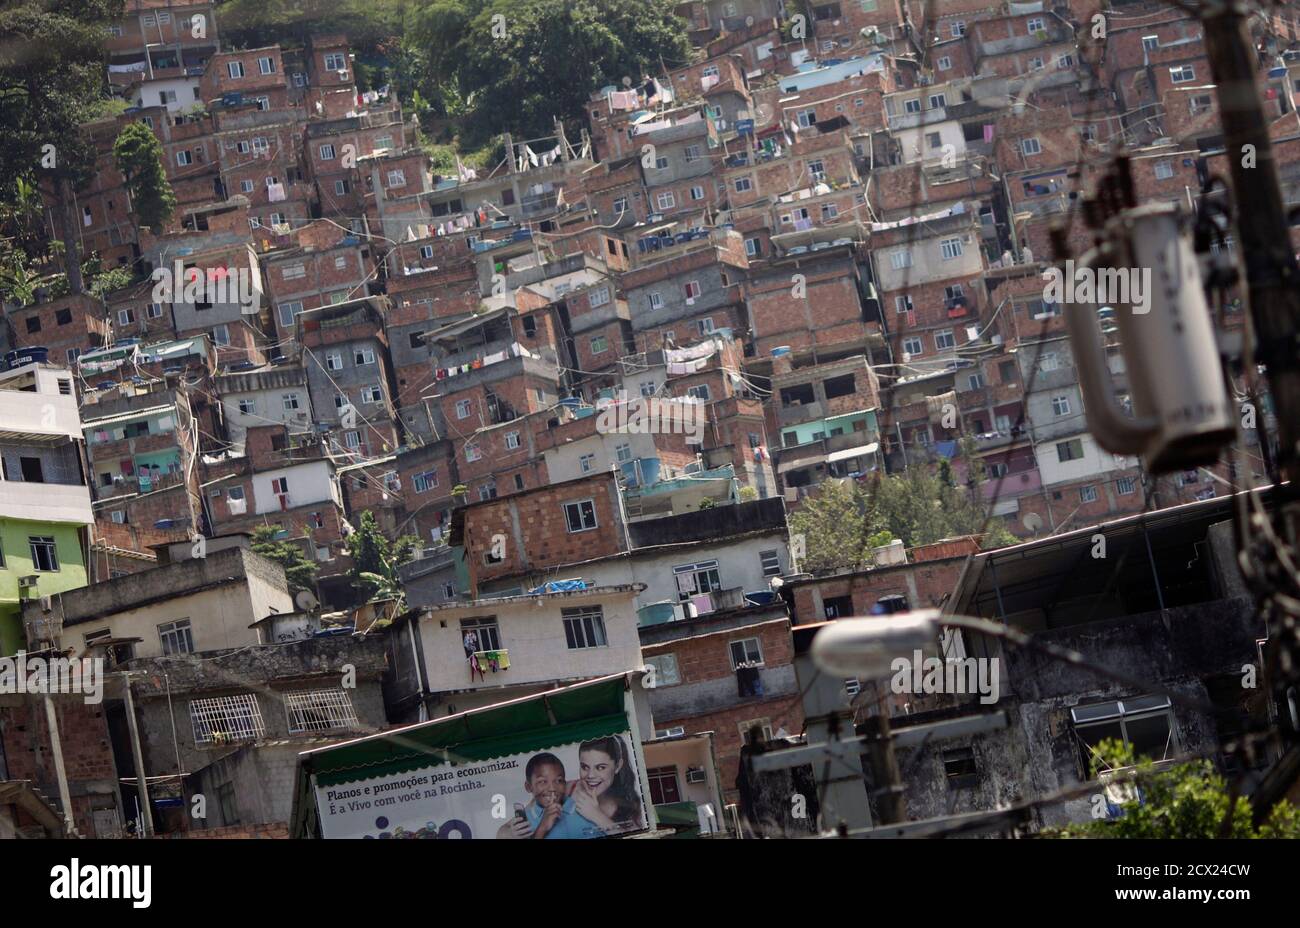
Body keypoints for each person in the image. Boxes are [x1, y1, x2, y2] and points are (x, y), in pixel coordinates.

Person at [496, 753, 590, 839]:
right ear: (528, 787)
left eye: (558, 781)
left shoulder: (584, 808)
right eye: (542, 782)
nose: (552, 788)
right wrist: (543, 827)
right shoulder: (523, 824)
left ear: (565, 783)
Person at [567, 736, 644, 837]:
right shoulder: (568, 789)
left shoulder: (630, 805)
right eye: (585, 767)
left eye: (600, 767)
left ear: (617, 766)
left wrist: (596, 815)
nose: (590, 775)